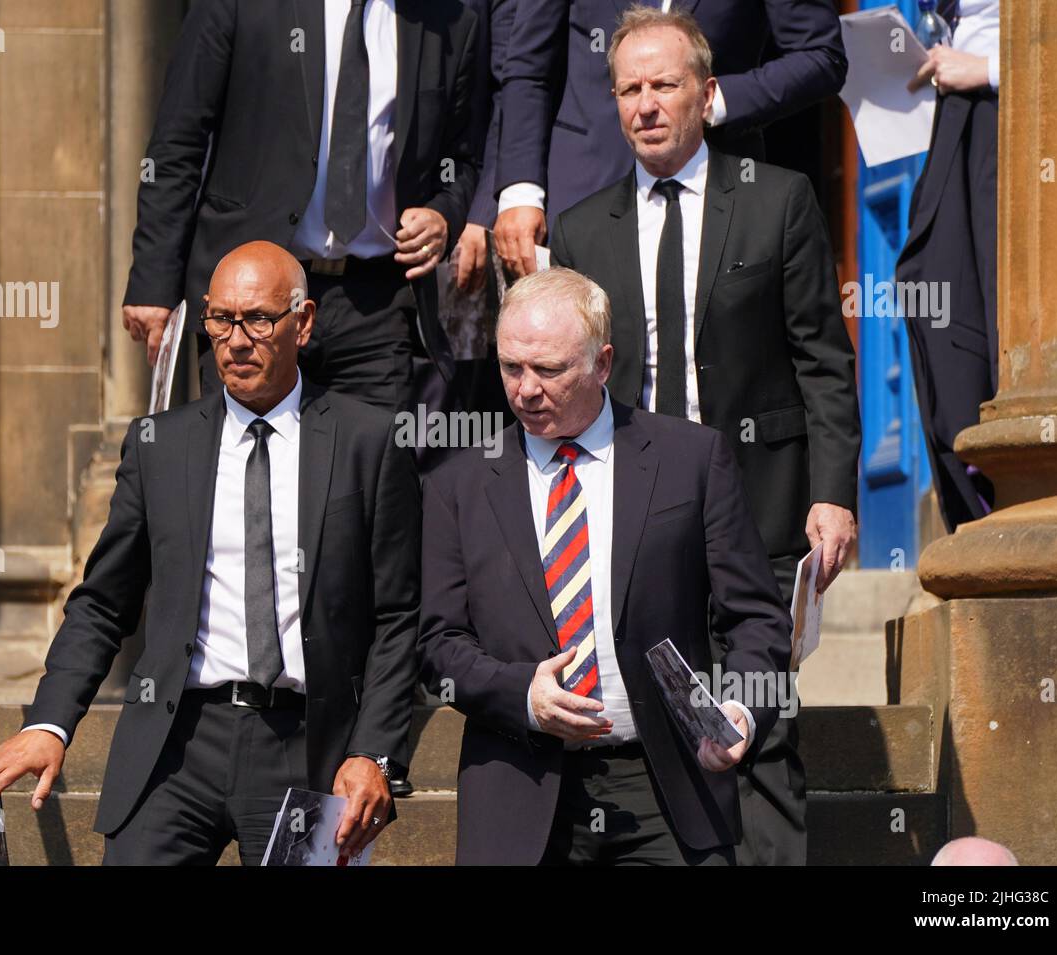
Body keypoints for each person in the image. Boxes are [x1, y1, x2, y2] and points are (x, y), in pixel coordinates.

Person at [0, 241, 422, 865]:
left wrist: (372, 752)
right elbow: (103, 603)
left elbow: (398, 617)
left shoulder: (369, 442)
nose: (237, 341)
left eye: (259, 320)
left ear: (304, 323)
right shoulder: (162, 446)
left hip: (310, 746)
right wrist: (50, 724)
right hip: (176, 744)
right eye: (221, 320)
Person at [546, 8, 862, 865]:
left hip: (758, 510)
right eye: (630, 89)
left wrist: (833, 493)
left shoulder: (780, 199)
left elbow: (823, 362)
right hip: (636, 517)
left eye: (665, 85)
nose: (647, 105)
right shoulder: (579, 229)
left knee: (758, 732)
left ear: (707, 93)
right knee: (654, 749)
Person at [418, 267, 792, 865]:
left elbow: (755, 619)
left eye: (549, 370)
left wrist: (741, 706)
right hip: (519, 790)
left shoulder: (690, 460)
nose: (525, 390)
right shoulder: (457, 484)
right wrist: (524, 696)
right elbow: (438, 643)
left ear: (602, 362)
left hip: (665, 785)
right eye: (511, 367)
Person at [121, 0, 482, 413]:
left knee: (373, 470)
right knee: (249, 466)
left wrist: (444, 213)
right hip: (254, 300)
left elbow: (462, 159)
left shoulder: (448, 21)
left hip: (375, 304)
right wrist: (154, 280)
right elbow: (177, 144)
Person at [492, 0, 847, 277]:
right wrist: (520, 191)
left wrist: (711, 102)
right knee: (572, 357)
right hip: (584, 184)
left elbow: (821, 56)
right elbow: (529, 67)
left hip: (713, 186)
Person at [897, 0, 1000, 531]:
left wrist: (989, 67)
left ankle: (1006, 489)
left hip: (1014, 108)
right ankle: (977, 516)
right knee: (923, 286)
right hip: (957, 109)